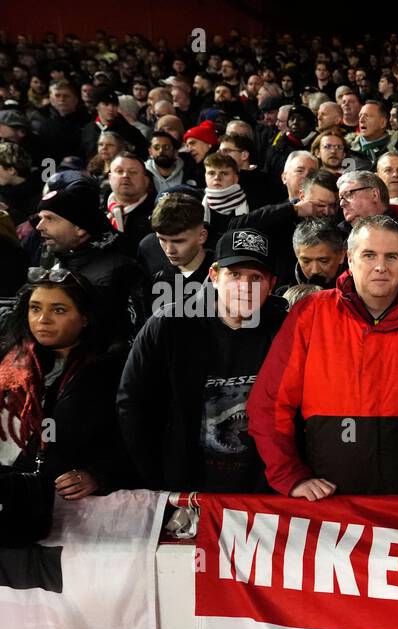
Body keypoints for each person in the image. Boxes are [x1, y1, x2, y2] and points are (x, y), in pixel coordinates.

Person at [248, 216, 398, 503]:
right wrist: (290, 475)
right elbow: (269, 403)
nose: (381, 267)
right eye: (369, 255)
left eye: (392, 256)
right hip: (329, 509)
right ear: (349, 259)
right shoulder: (311, 314)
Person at [118, 227, 289, 492]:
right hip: (184, 487)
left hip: (263, 491)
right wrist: (157, 480)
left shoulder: (286, 332)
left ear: (272, 284)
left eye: (256, 277)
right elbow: (133, 404)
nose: (245, 287)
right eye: (234, 275)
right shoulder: (169, 325)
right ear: (214, 276)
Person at [0, 269, 131, 522]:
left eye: (58, 310)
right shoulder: (9, 362)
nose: (43, 319)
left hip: (76, 513)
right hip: (11, 499)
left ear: (85, 318)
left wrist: (98, 476)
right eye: (35, 308)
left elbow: (130, 438)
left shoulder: (111, 369)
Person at [33, 177, 145, 341]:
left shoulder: (122, 269)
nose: (39, 226)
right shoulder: (52, 256)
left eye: (49, 219)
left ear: (80, 228)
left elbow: (135, 335)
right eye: (41, 218)